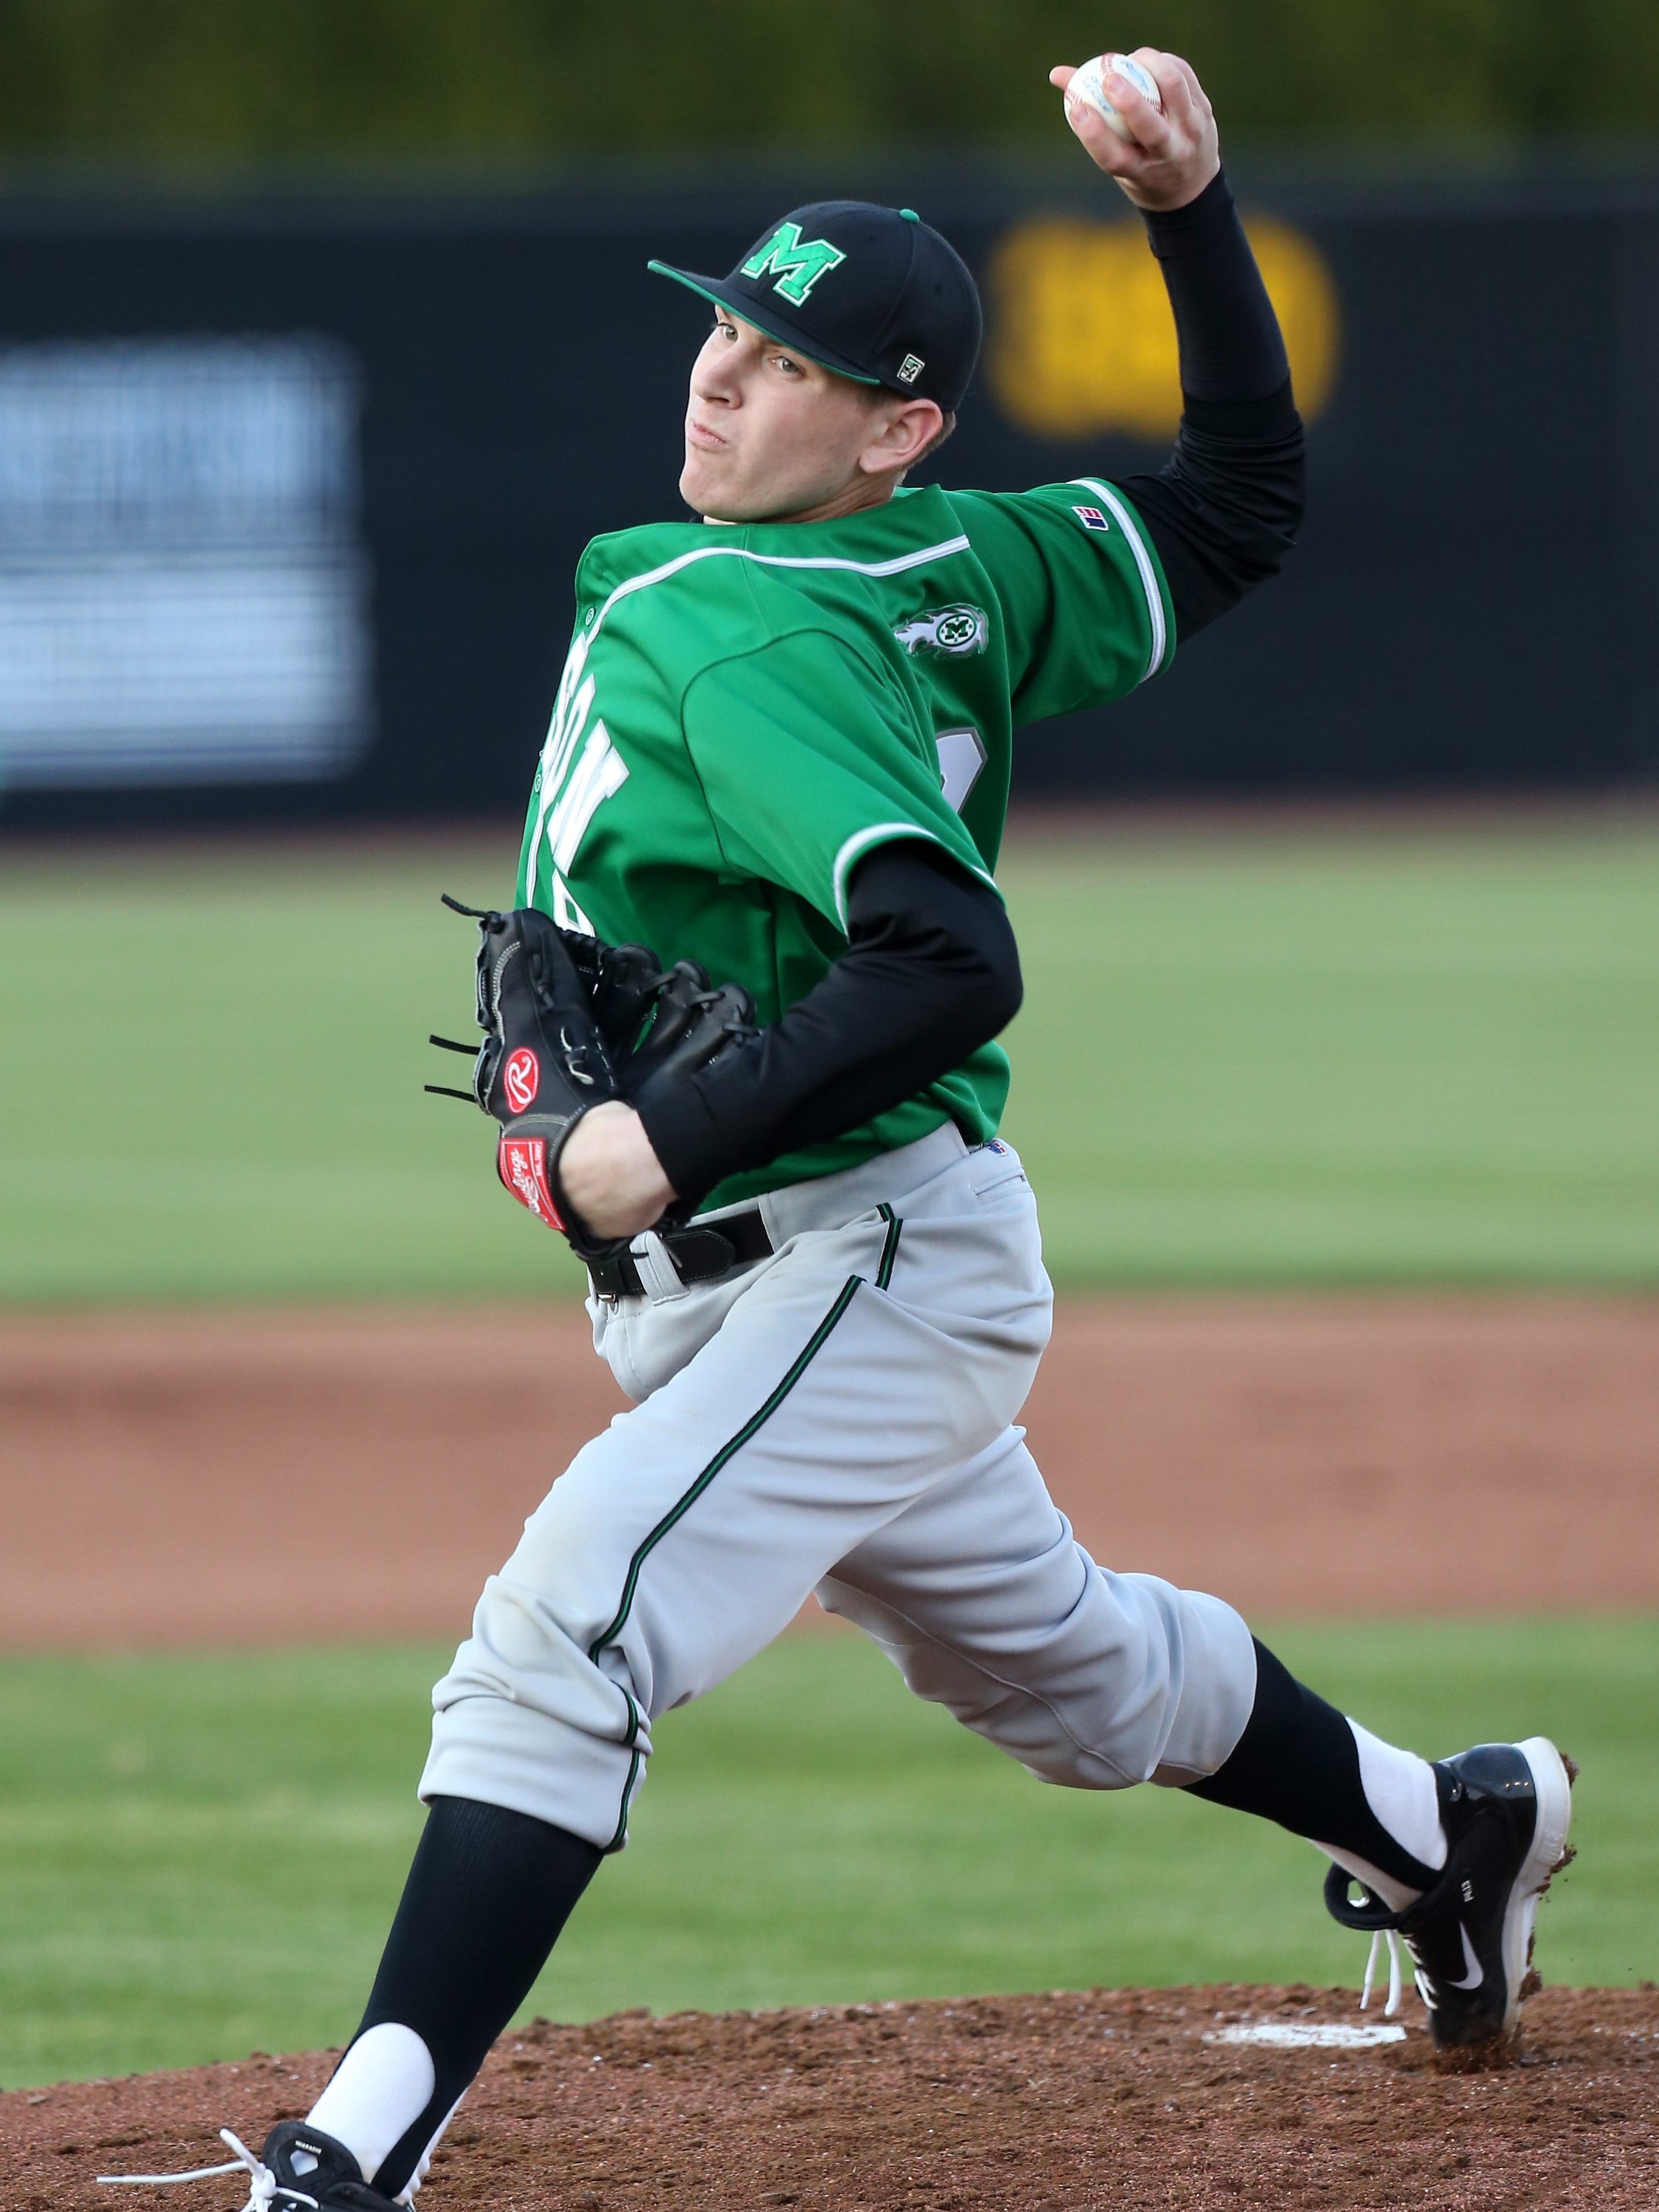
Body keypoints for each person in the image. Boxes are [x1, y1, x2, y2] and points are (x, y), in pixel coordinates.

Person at [108, 47, 1571, 2212]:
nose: (720, 377)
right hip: (805, 1276)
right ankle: (1446, 1826)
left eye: (786, 361)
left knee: (568, 1623)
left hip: (853, 1255)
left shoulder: (741, 618)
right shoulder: (946, 561)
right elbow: (1237, 508)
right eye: (720, 325)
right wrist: (1191, 206)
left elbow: (945, 958)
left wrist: (658, 1142)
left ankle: (351, 2153)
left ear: (890, 424)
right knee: (1071, 1669)